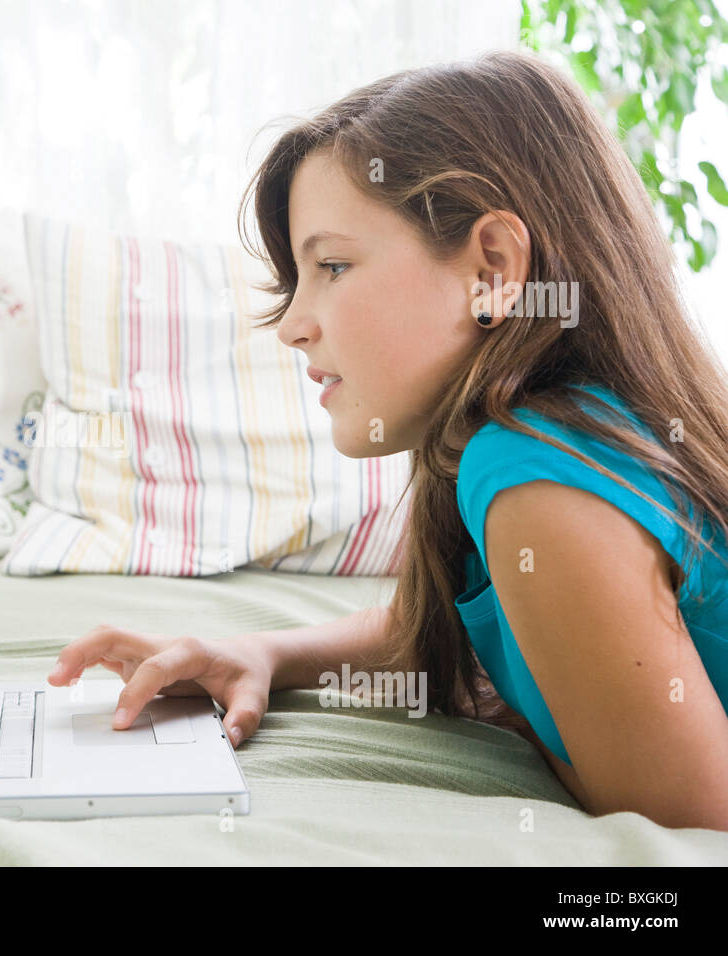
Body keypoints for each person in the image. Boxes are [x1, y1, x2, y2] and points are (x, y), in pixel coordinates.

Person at [48, 50, 728, 831]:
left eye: (332, 265)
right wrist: (265, 654)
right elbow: (470, 620)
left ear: (493, 268)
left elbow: (697, 829)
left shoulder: (538, 477)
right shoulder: (551, 438)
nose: (294, 325)